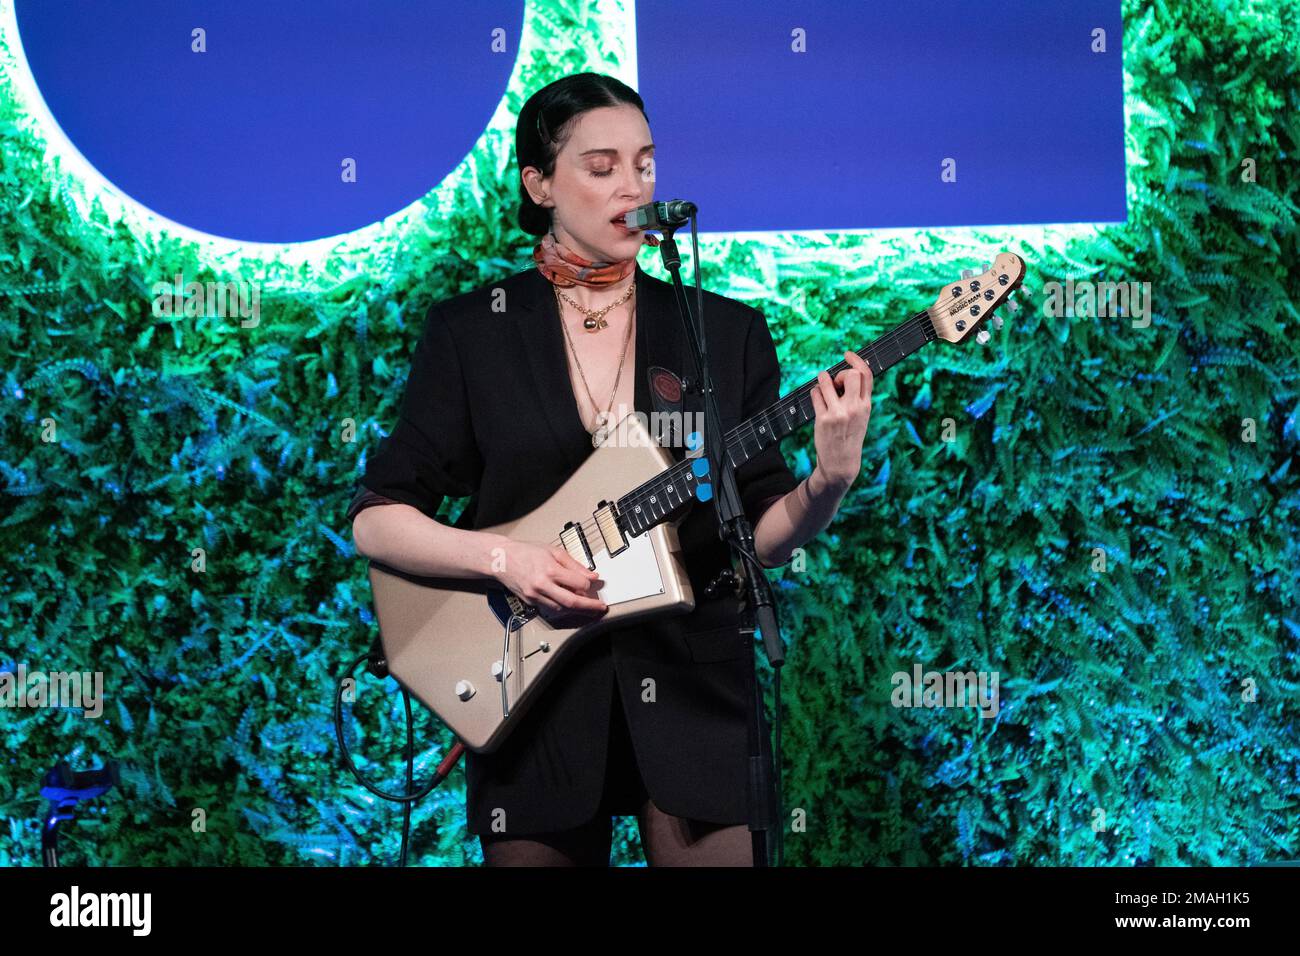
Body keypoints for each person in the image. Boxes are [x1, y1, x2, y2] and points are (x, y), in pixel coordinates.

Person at [348, 72, 872, 866]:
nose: (633, 185)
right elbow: (378, 518)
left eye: (646, 163)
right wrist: (506, 559)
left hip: (695, 687)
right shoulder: (472, 333)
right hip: (533, 692)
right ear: (540, 184)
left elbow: (759, 537)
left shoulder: (722, 332)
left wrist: (826, 484)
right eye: (601, 167)